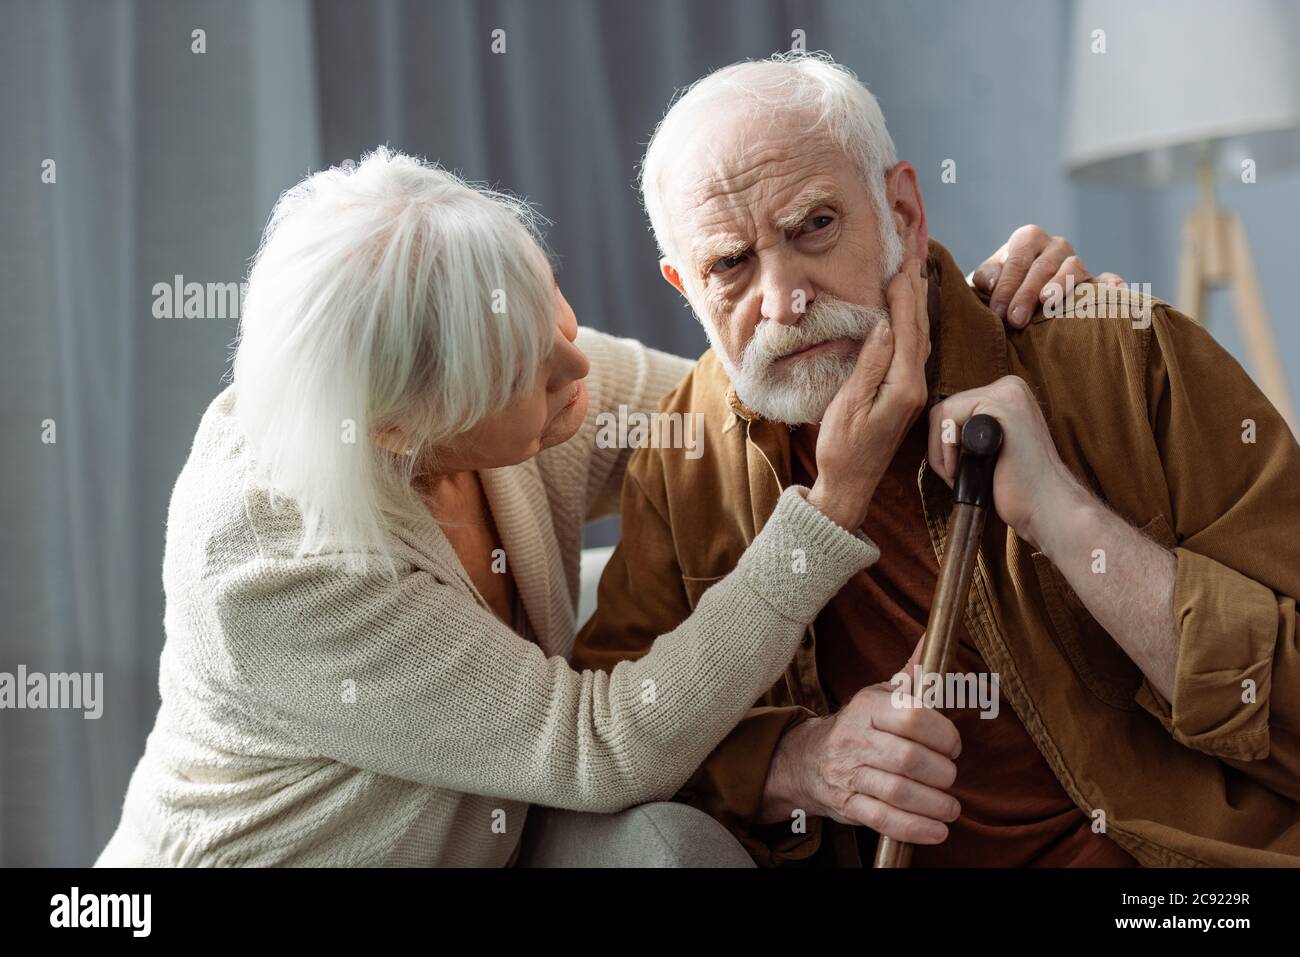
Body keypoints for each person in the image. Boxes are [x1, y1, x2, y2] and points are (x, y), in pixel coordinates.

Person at [93, 146, 1095, 867]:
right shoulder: (278, 563)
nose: (583, 369)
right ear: (402, 431)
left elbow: (741, 405)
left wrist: (968, 309)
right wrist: (828, 506)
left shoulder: (499, 363)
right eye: (532, 376)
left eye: (557, 315)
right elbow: (596, 748)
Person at [574, 52, 1300, 867]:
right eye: (729, 265)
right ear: (685, 287)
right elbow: (616, 735)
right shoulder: (687, 449)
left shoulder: (1121, 354)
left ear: (904, 212)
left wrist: (1067, 517)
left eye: (813, 225)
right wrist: (797, 762)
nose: (784, 299)